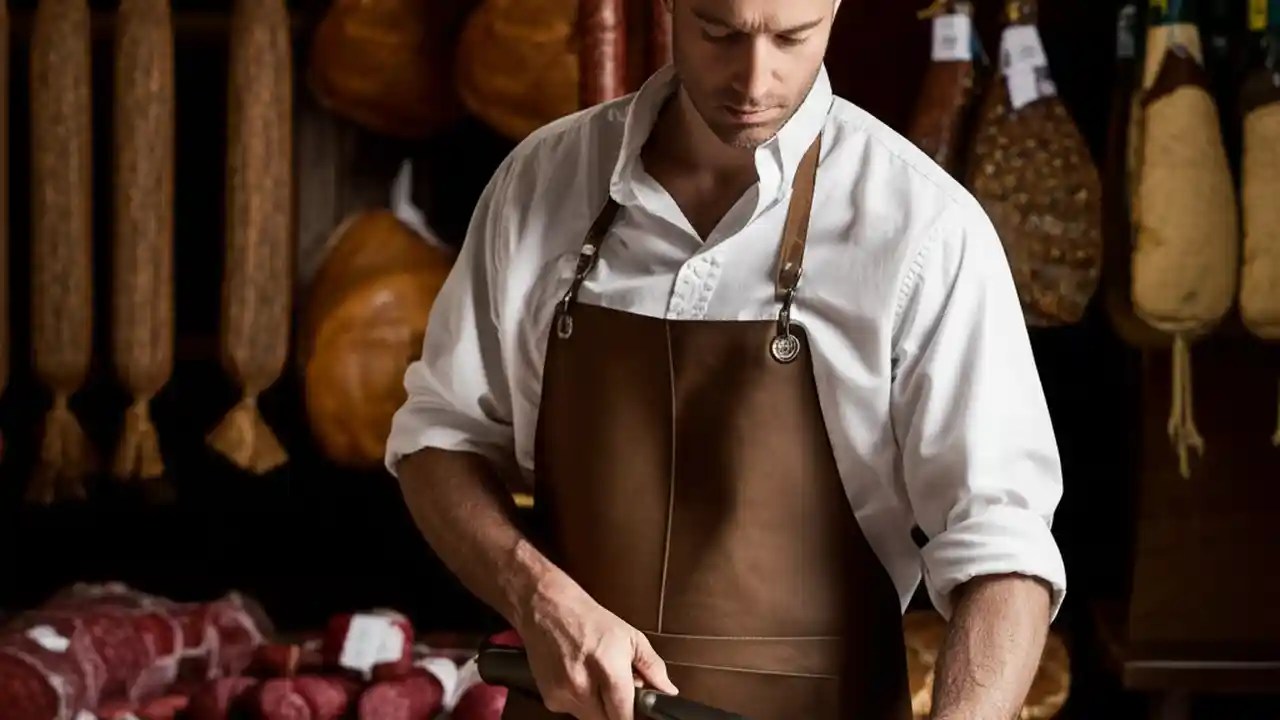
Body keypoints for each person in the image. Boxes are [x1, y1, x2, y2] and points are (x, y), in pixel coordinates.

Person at [386, 0, 1067, 718]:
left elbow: (1002, 551)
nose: (754, 79)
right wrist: (535, 596)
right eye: (720, 33)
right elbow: (440, 439)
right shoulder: (541, 182)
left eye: (791, 37)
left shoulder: (922, 228)